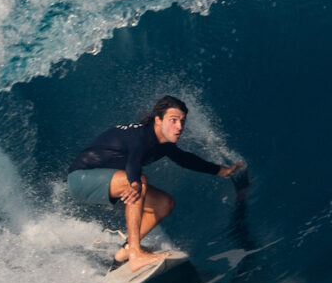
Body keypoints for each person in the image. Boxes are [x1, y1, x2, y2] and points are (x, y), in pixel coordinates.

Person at [65, 95, 246, 272]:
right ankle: (136, 254)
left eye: (182, 121)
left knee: (164, 203)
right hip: (81, 178)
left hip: (106, 178)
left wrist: (221, 171)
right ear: (158, 120)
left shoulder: (163, 142)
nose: (179, 126)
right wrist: (135, 184)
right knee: (139, 182)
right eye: (173, 120)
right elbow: (133, 162)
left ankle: (124, 253)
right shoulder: (143, 136)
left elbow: (185, 159)